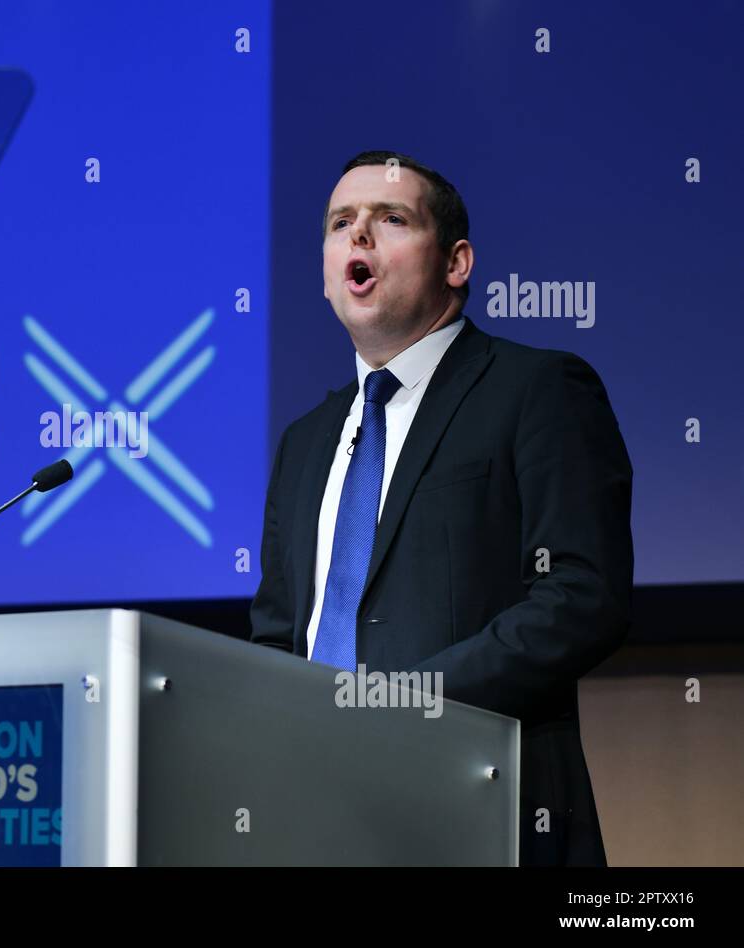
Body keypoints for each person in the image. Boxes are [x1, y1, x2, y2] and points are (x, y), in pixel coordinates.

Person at [249, 150, 634, 866]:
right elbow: (276, 641)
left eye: (389, 218)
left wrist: (405, 704)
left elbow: (584, 595)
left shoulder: (538, 390)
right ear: (326, 272)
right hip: (311, 816)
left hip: (482, 805)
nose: (358, 236)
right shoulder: (303, 443)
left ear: (457, 263)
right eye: (341, 224)